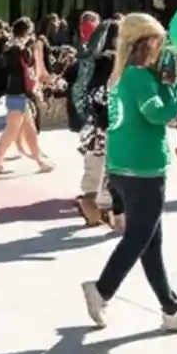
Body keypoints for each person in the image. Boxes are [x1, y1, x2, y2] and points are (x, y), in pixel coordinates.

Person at [81, 13, 177, 332]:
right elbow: (159, 114)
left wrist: (173, 86)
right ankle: (102, 289)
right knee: (139, 238)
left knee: (150, 242)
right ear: (145, 42)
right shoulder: (137, 77)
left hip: (124, 166)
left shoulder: (126, 75)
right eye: (158, 41)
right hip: (142, 169)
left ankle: (171, 309)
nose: (161, 48)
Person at [0, 17, 51, 176]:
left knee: (29, 130)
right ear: (27, 32)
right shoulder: (18, 50)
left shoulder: (10, 48)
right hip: (18, 94)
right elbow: (24, 72)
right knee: (12, 130)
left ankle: (39, 160)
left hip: (17, 94)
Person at [75, 21, 121, 229]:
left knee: (93, 171)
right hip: (109, 127)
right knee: (113, 172)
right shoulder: (115, 61)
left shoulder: (90, 61)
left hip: (91, 127)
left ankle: (91, 208)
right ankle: (107, 212)